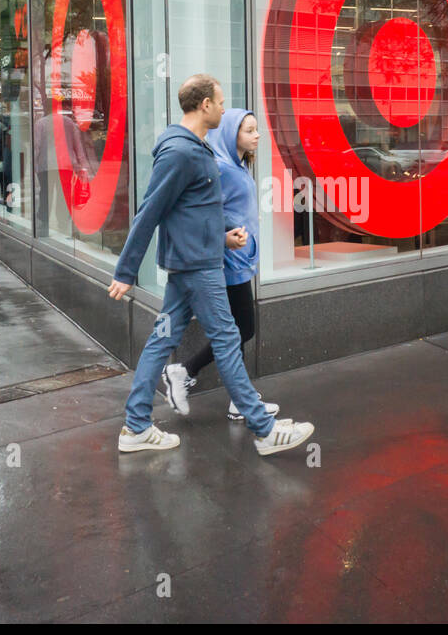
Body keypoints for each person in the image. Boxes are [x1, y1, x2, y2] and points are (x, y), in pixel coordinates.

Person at [107, 74, 313, 456]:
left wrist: (221, 237)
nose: (223, 108)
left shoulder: (193, 147)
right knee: (227, 338)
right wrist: (125, 271)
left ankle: (136, 426)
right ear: (204, 105)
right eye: (219, 102)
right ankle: (264, 430)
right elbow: (150, 211)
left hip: (192, 265)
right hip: (199, 270)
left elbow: (189, 214)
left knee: (163, 340)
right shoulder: (180, 153)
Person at [161, 109, 282, 422]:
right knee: (240, 329)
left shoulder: (239, 164)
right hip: (228, 261)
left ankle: (235, 398)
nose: (257, 135)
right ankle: (186, 370)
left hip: (240, 260)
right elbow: (208, 211)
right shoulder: (223, 168)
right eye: (249, 131)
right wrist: (229, 234)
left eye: (256, 130)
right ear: (231, 134)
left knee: (235, 330)